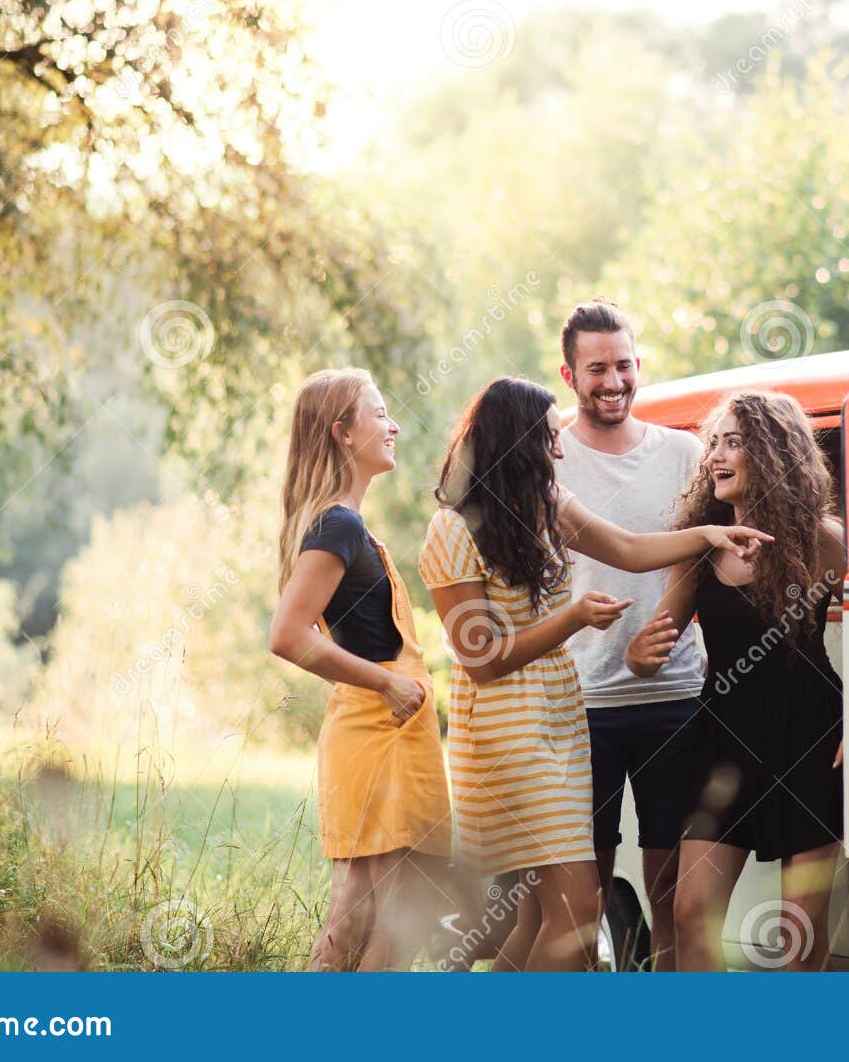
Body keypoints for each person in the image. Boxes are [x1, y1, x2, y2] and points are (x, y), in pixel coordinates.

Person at [418, 376, 771, 971]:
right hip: (509, 729)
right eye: (547, 439)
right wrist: (576, 617)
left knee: (537, 914)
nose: (559, 450)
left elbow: (631, 548)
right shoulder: (452, 531)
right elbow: (481, 660)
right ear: (515, 443)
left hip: (561, 716)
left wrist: (707, 533)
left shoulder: (546, 505)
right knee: (580, 909)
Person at [626, 390, 847, 971]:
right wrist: (638, 654)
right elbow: (656, 643)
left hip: (811, 737)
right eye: (713, 444)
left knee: (797, 934)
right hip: (725, 741)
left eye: (733, 442)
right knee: (691, 911)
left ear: (772, 453)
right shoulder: (699, 545)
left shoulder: (823, 540)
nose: (716, 456)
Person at [268, 368, 452, 971]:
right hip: (376, 728)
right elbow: (289, 637)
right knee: (369, 907)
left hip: (385, 728)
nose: (393, 424)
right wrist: (387, 681)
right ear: (343, 433)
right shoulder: (338, 524)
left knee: (390, 907)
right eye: (378, 413)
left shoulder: (344, 520)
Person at [552, 300, 705, 970]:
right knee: (581, 896)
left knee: (672, 890)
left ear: (639, 364)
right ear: (569, 374)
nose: (612, 380)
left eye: (623, 365)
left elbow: (695, 556)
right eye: (596, 369)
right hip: (581, 703)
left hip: (676, 698)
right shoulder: (547, 456)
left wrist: (658, 635)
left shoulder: (682, 451)